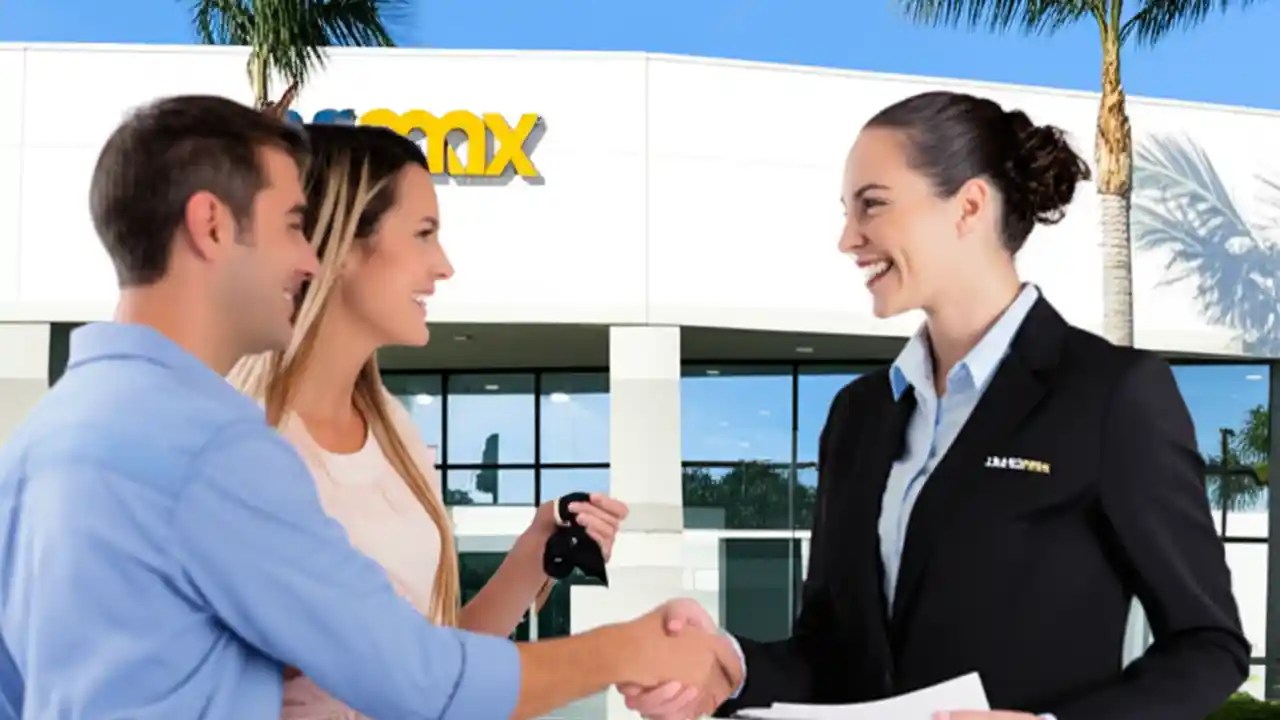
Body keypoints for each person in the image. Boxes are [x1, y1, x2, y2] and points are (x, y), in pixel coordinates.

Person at [0, 94, 731, 720]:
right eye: (294, 225)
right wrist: (628, 648)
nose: (307, 257)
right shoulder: (218, 447)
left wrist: (532, 561)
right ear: (213, 225)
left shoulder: (43, 440)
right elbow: (416, 678)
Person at [622, 90, 1250, 720]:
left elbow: (1208, 644)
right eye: (847, 211)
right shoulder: (859, 415)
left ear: (969, 206)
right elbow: (831, 654)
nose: (848, 239)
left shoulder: (1110, 394)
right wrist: (728, 669)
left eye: (872, 204)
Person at [224, 122, 633, 718]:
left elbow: (437, 663)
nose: (443, 266)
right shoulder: (239, 436)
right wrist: (624, 652)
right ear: (341, 246)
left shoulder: (393, 433)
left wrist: (533, 551)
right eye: (423, 234)